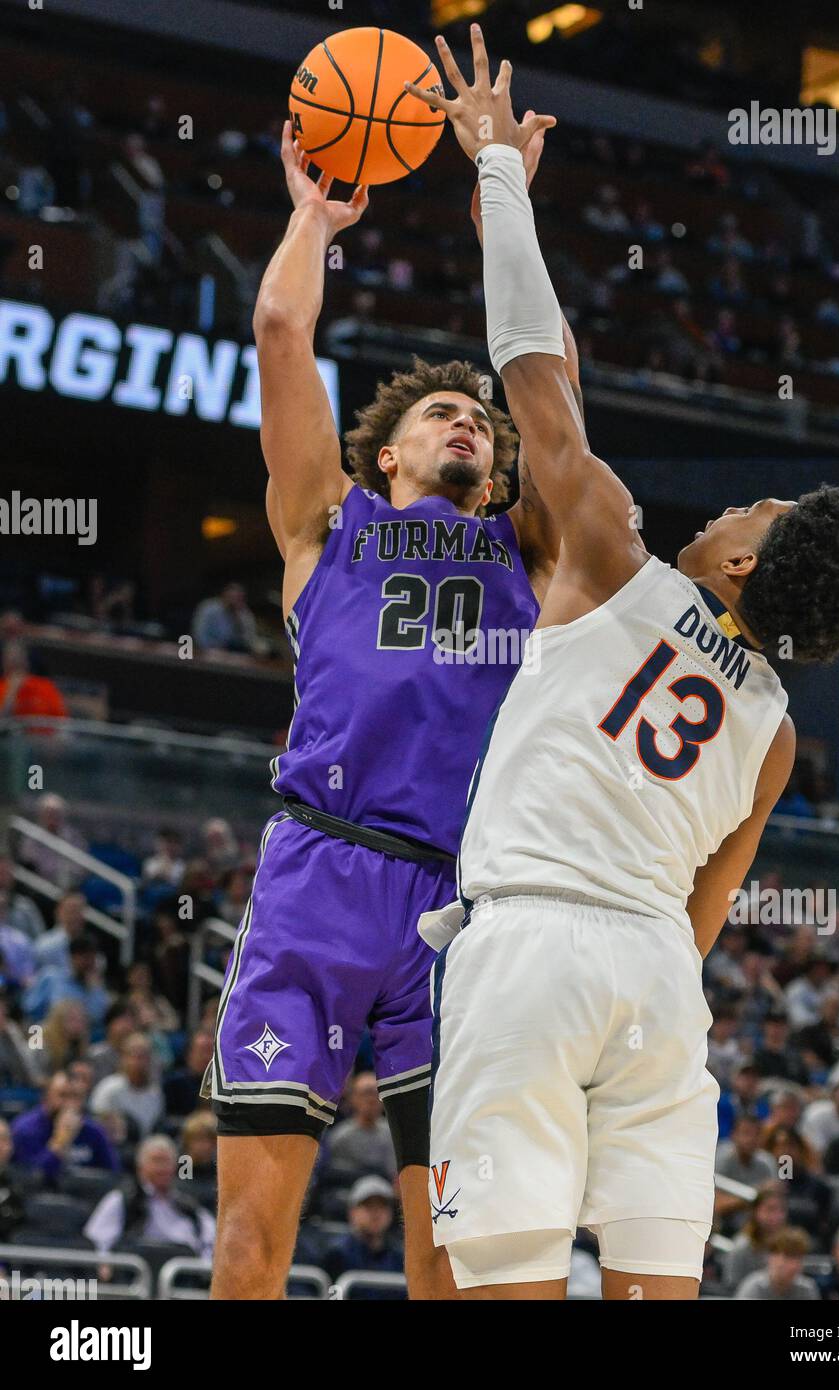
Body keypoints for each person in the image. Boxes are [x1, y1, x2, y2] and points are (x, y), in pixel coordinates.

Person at [414, 25, 839, 1301]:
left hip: (533, 948)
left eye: (760, 510)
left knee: (502, 1281)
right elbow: (706, 914)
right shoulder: (779, 731)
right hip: (659, 985)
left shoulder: (617, 553)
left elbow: (532, 374)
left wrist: (498, 175)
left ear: (738, 566)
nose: (740, 509)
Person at [203, 101, 582, 1303]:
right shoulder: (329, 524)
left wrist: (504, 213)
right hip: (320, 871)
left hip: (462, 913)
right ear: (388, 457)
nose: (469, 418)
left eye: (478, 416)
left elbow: (553, 391)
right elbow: (276, 323)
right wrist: (315, 215)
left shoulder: (529, 551)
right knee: (251, 1244)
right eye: (440, 413)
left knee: (448, 1260)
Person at [84, 1134, 215, 1258]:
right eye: (156, 1161)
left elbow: (211, 1239)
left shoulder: (188, 1204)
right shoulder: (122, 1200)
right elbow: (97, 1240)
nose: (162, 1168)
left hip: (181, 1276)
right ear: (140, 1166)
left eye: (167, 1162)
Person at [10, 1071, 120, 1185]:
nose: (69, 1104)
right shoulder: (25, 1129)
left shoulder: (94, 1131)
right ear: (46, 1098)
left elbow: (112, 1176)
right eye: (63, 1095)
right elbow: (30, 1179)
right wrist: (59, 1143)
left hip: (84, 1198)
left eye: (76, 1097)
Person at [323, 1175, 404, 1292]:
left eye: (382, 1205)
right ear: (352, 1212)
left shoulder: (400, 1258)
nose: (376, 1213)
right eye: (368, 1205)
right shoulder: (336, 1255)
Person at [89, 1034, 165, 1139]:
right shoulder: (108, 1088)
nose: (139, 1062)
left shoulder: (155, 1093)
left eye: (144, 1056)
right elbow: (96, 1124)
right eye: (135, 1056)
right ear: (123, 1058)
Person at [327, 1071, 396, 1181]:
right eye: (366, 1093)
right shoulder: (340, 1136)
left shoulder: (393, 1135)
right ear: (353, 1098)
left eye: (376, 1093)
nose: (371, 1100)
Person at [734, 1227, 820, 1300]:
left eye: (799, 1258)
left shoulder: (807, 1289)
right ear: (771, 1257)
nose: (794, 1265)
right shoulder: (754, 1287)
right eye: (788, 1257)